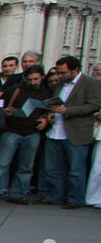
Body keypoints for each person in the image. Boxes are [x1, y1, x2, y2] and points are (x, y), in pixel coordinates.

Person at [39, 55, 101, 208]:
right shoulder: (60, 85)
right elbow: (55, 103)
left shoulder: (91, 82)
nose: (59, 76)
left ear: (75, 70)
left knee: (76, 169)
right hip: (55, 131)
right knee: (53, 168)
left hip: (77, 132)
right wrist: (50, 115)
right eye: (58, 73)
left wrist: (67, 110)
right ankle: (55, 196)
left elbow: (94, 105)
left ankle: (75, 199)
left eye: (63, 73)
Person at [0, 66, 50, 203]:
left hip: (32, 132)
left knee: (26, 167)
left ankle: (18, 194)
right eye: (30, 80)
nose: (33, 82)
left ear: (42, 77)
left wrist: (45, 119)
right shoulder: (14, 90)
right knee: (1, 165)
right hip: (12, 130)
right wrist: (4, 111)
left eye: (36, 79)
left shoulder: (47, 92)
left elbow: (50, 110)